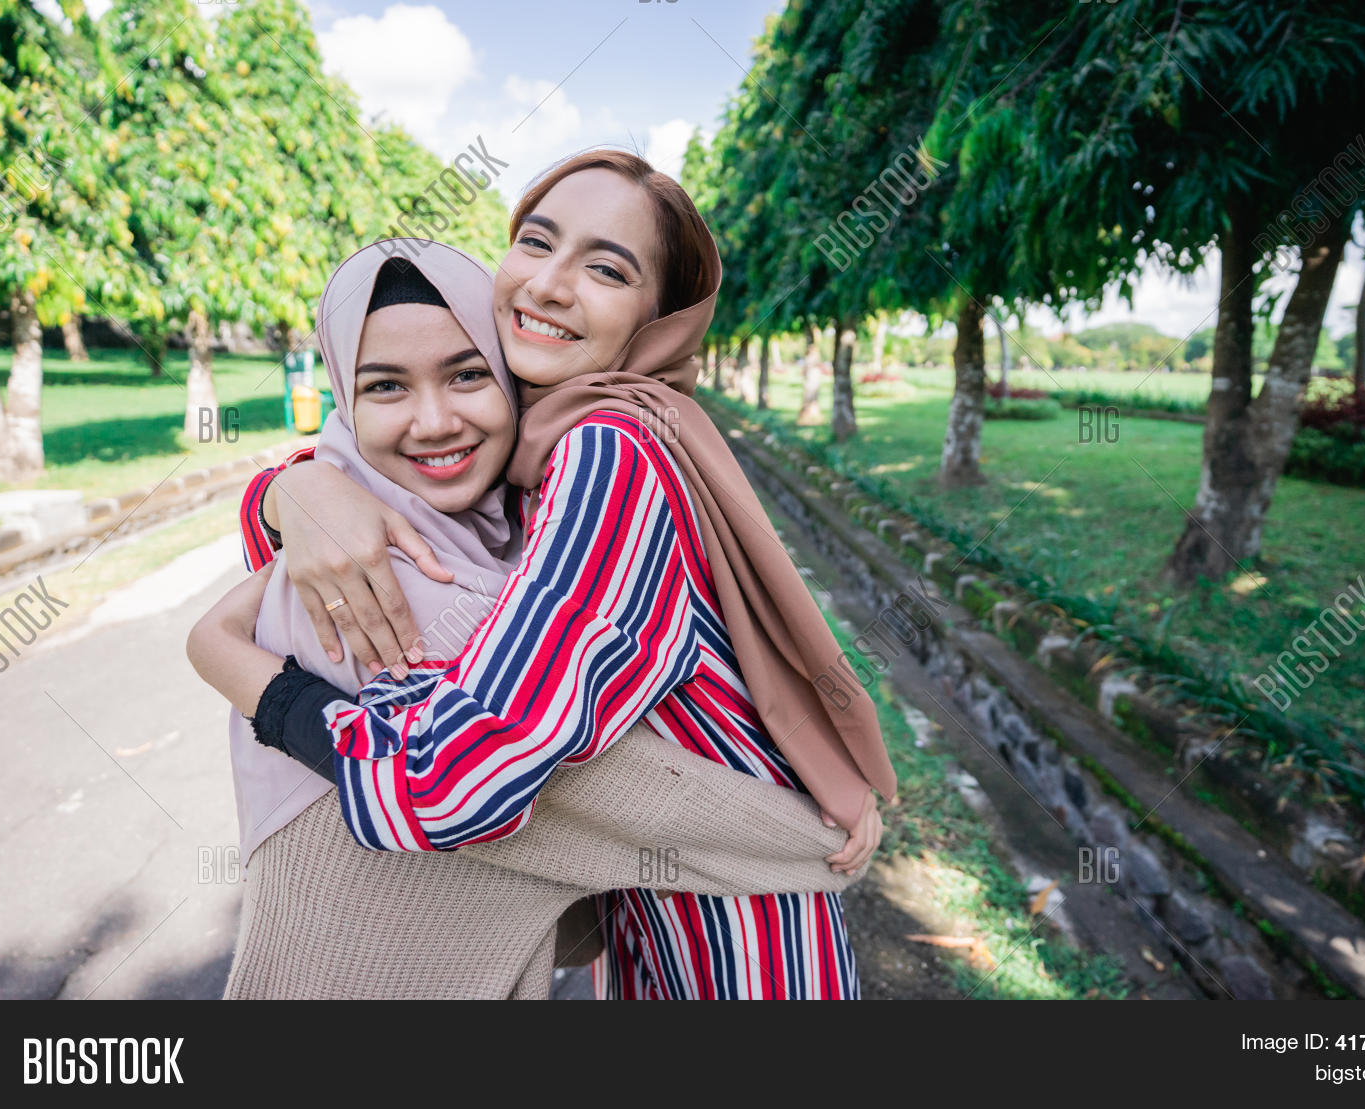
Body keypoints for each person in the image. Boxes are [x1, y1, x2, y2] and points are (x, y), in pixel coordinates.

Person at [225, 151, 899, 998]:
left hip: (737, 949)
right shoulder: (535, 452)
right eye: (537, 243)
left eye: (607, 269)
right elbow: (388, 536)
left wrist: (256, 685)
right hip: (661, 918)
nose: (548, 285)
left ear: (658, 319)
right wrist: (293, 491)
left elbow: (455, 779)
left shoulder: (606, 454)